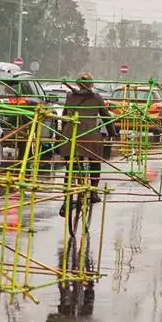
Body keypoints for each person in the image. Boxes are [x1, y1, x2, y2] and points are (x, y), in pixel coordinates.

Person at [59, 72, 118, 216]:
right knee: (95, 160)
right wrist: (113, 132)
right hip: (90, 136)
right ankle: (93, 191)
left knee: (70, 168)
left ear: (78, 83)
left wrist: (62, 132)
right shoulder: (96, 97)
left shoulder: (70, 96)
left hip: (70, 135)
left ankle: (66, 200)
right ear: (91, 83)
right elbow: (105, 116)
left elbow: (65, 116)